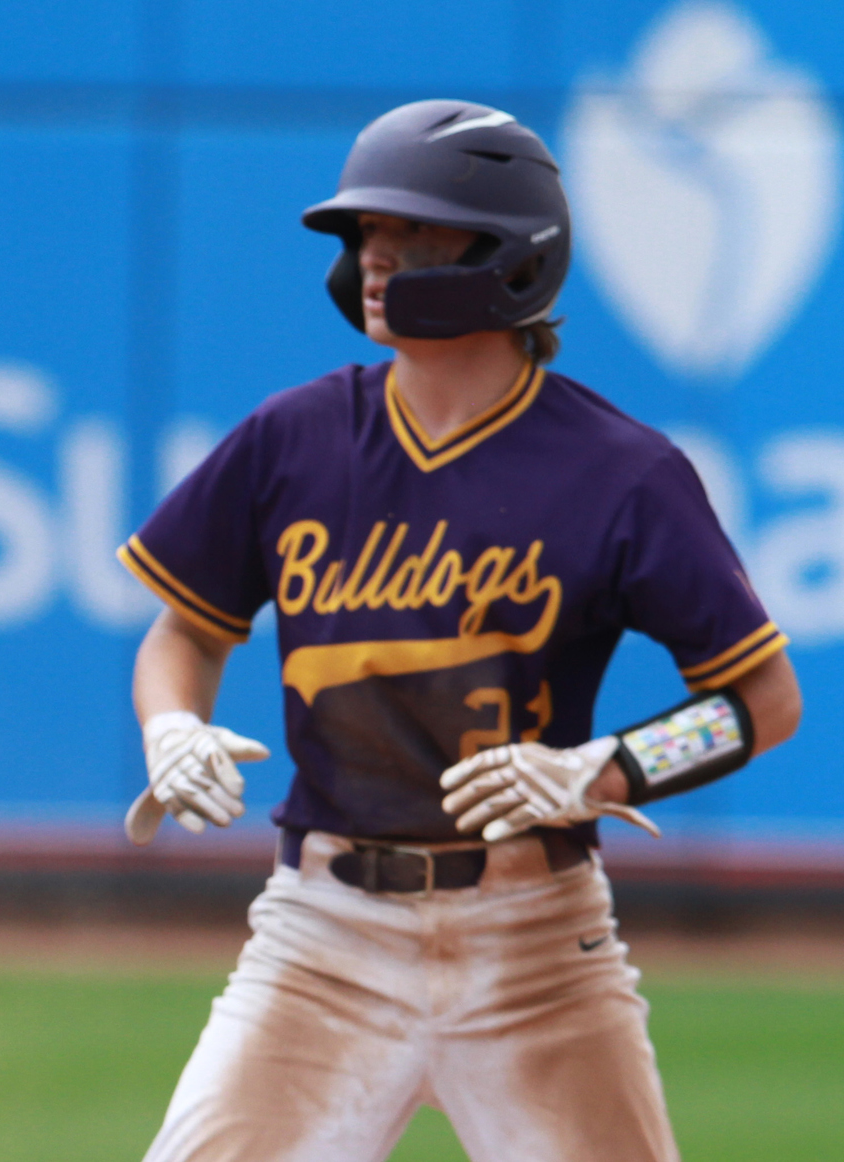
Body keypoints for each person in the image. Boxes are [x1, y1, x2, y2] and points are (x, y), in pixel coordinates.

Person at [115, 99, 802, 1162]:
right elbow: (183, 635)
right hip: (321, 937)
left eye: (414, 233)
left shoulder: (621, 473)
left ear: (511, 258)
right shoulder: (290, 439)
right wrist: (171, 729)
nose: (376, 260)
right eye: (365, 237)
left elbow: (760, 705)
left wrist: (604, 769)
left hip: (536, 945)